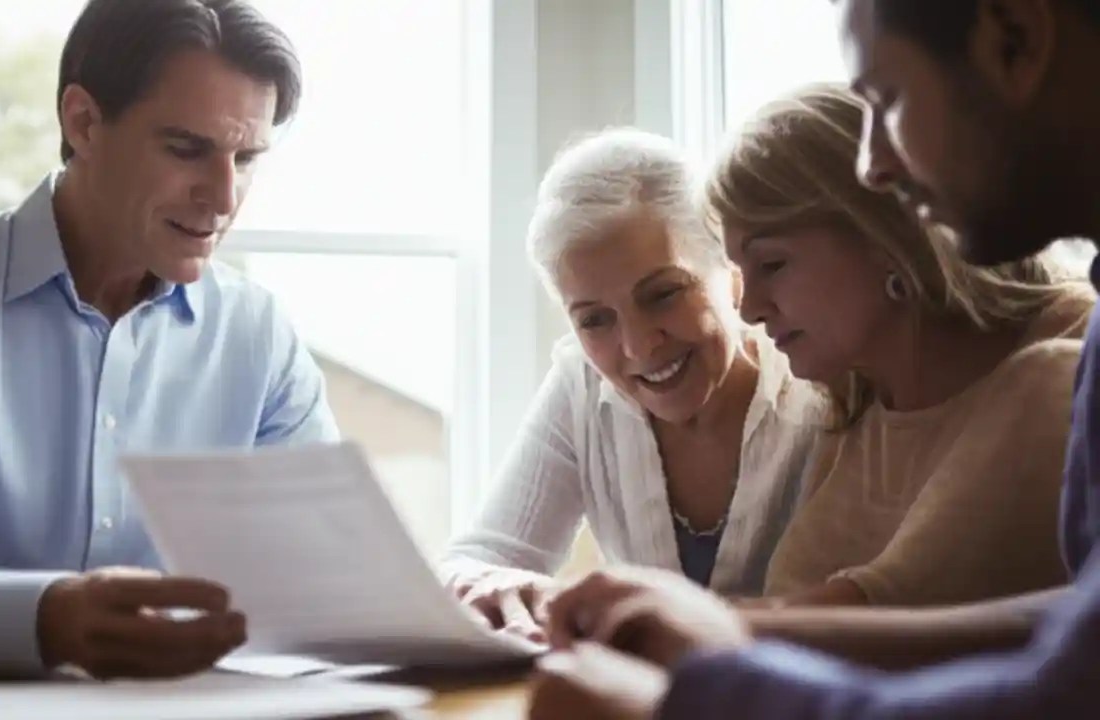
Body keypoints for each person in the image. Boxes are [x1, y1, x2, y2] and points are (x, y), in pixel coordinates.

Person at [528, 0, 1100, 717]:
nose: (878, 165)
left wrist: (694, 683)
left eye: (888, 99)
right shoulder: (851, 403)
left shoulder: (1051, 374)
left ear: (1017, 39)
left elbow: (1063, 682)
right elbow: (1071, 630)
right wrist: (721, 634)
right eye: (593, 318)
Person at [0, 0, 337, 679]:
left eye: (245, 159)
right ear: (83, 122)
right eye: (187, 149)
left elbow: (330, 584)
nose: (222, 197)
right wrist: (40, 620)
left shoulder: (259, 337)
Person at [712, 83, 1090, 609]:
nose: (749, 309)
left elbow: (886, 606)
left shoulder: (1073, 351)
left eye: (772, 265)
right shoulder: (854, 398)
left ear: (884, 235)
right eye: (740, 273)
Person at [441, 129, 824, 639]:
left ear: (731, 272)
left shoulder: (817, 384)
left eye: (663, 294)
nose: (639, 347)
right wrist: (498, 584)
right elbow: (477, 558)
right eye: (594, 320)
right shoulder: (581, 386)